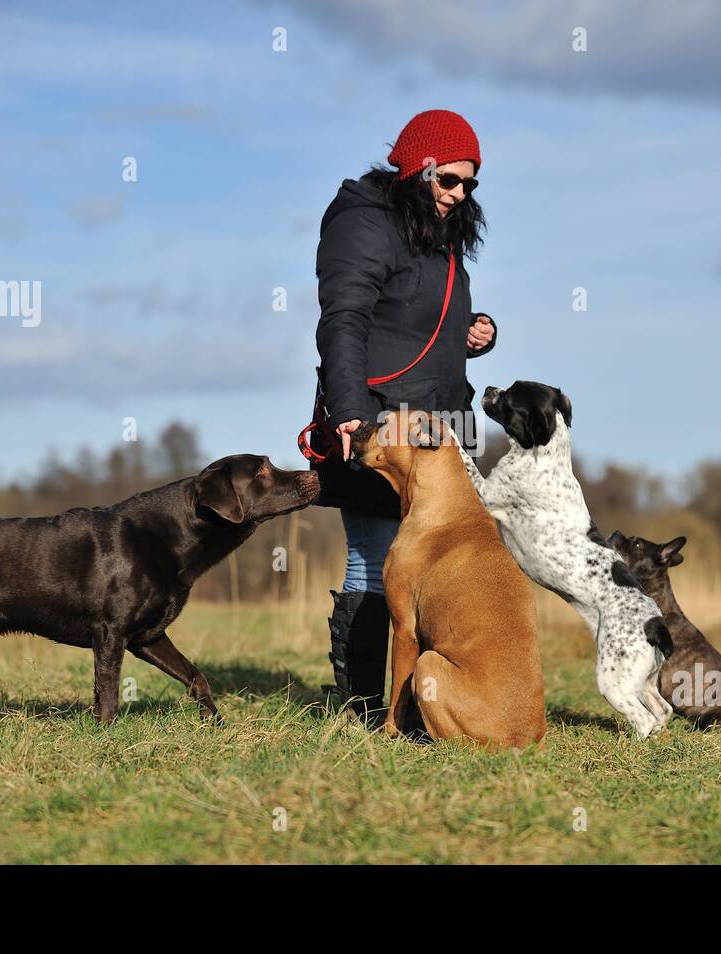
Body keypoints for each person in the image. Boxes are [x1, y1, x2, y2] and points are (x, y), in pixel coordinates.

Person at [309, 109, 497, 726]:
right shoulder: (364, 222)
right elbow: (344, 320)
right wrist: (350, 413)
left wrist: (471, 332)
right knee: (373, 557)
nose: (459, 194)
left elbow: (419, 319)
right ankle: (365, 711)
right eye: (449, 179)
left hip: (443, 429)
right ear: (418, 168)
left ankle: (427, 707)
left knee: (445, 567)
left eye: (469, 183)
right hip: (378, 423)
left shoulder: (439, 231)